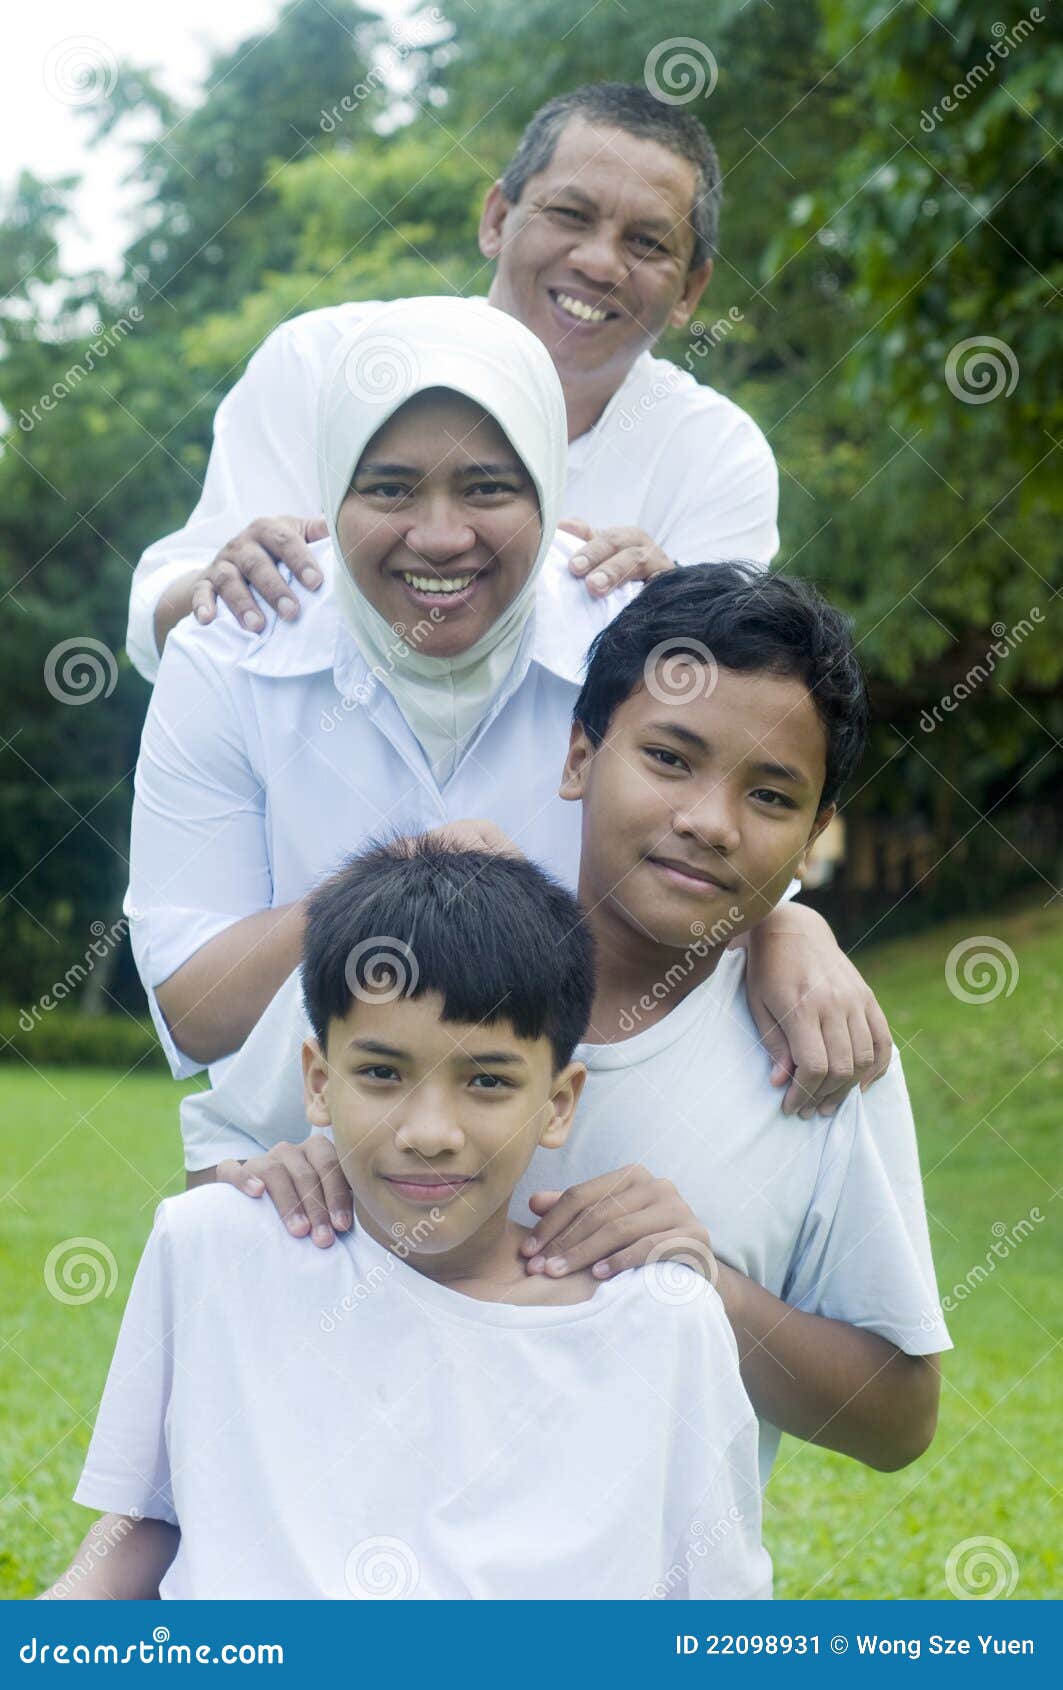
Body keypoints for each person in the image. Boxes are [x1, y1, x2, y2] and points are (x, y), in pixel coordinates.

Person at [207, 564, 951, 1488]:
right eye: (669, 759)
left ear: (813, 835)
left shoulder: (821, 1054)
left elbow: (898, 1419)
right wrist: (281, 1181)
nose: (709, 822)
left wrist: (704, 1286)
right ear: (577, 757)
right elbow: (218, 1181)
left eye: (769, 796)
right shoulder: (407, 955)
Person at [127, 296, 892, 1175]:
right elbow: (196, 1010)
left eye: (488, 487)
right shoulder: (232, 644)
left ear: (551, 493)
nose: (440, 536)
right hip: (315, 1178)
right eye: (388, 487)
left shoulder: (629, 633)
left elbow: (723, 840)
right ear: (330, 492)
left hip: (588, 1162)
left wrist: (786, 930)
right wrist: (404, 880)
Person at [48, 841, 772, 1601]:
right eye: (381, 1073)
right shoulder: (213, 1246)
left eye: (487, 1081)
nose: (430, 1132)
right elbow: (144, 1532)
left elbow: (711, 1619)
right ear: (318, 1083)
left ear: (558, 1104)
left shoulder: (658, 1321)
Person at [126, 82, 779, 682]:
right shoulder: (320, 362)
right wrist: (222, 585)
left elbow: (725, 705)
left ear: (691, 290)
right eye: (570, 215)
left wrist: (675, 615)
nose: (599, 263)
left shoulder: (717, 454)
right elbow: (159, 630)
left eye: (646, 243)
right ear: (496, 219)